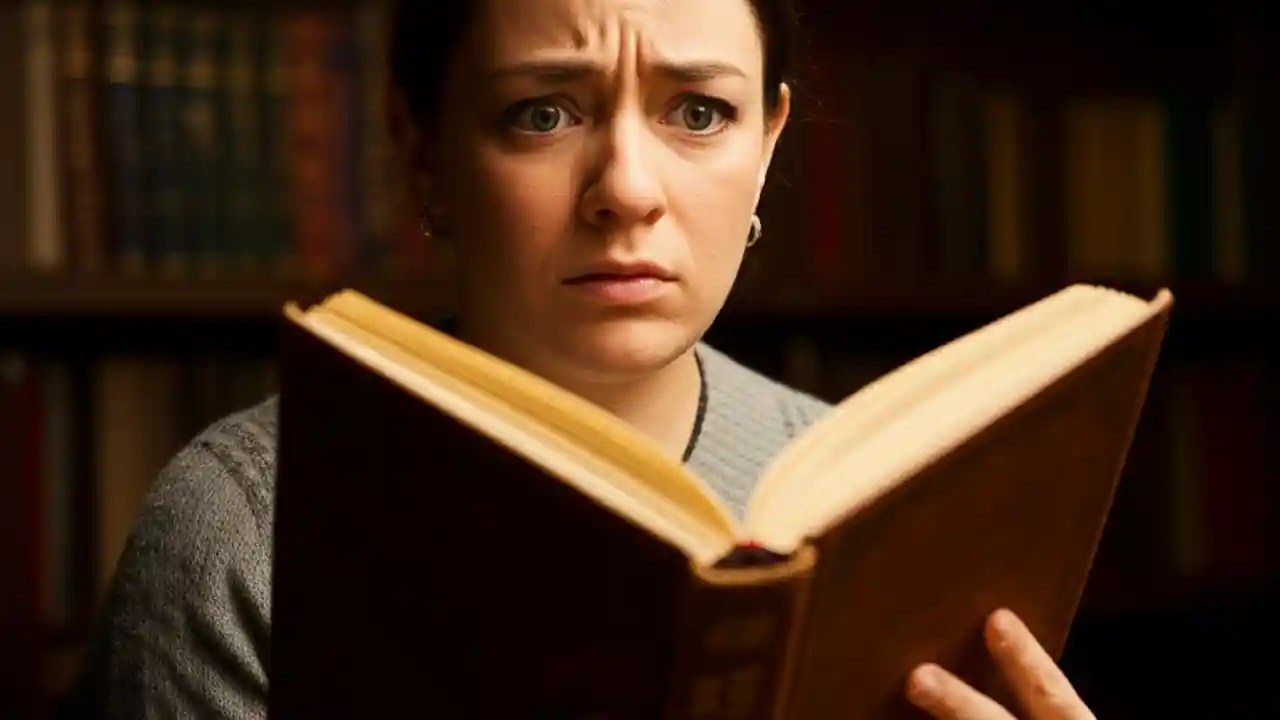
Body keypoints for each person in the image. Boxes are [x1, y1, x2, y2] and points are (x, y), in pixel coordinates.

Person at [68, 1, 1098, 718]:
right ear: (421, 149)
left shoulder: (874, 502)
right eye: (543, 112)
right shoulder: (244, 526)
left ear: (768, 146)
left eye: (698, 112)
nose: (626, 190)